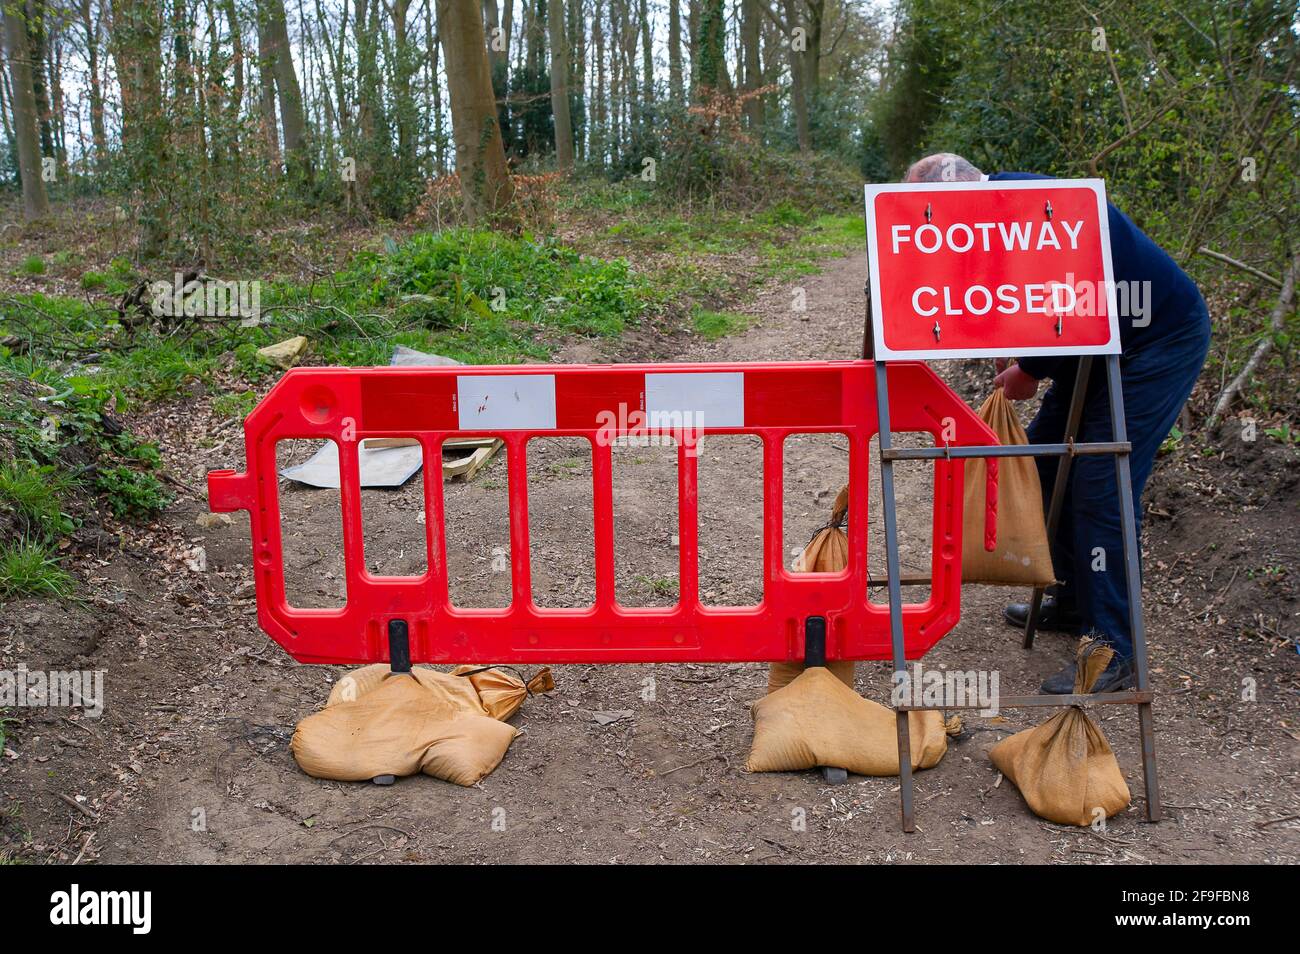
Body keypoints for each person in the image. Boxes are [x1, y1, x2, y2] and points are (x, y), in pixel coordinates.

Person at [903, 153, 1211, 693]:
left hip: (1154, 344)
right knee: (1043, 464)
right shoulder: (986, 217)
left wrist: (1032, 369)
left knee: (1101, 484)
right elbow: (1017, 298)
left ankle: (1115, 649)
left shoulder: (1032, 205)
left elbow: (1075, 298)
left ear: (960, 193)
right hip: (1096, 345)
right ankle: (1073, 602)